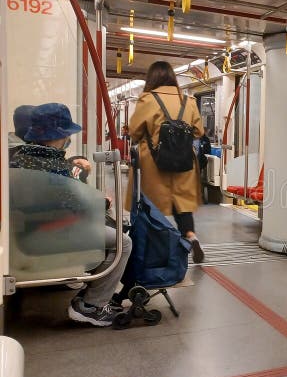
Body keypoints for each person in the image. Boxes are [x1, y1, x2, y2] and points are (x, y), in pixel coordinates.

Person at [11, 103, 132, 327]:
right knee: (122, 242)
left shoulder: (20, 157)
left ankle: (91, 295)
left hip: (28, 231)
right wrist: (102, 203)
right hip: (51, 233)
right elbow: (75, 208)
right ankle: (92, 306)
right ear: (59, 135)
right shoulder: (53, 165)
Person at [127, 61, 206, 263]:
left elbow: (134, 131)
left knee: (150, 205)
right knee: (182, 204)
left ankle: (154, 250)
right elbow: (199, 131)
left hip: (153, 162)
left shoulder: (147, 100)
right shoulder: (188, 101)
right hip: (183, 161)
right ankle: (191, 236)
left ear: (152, 78)